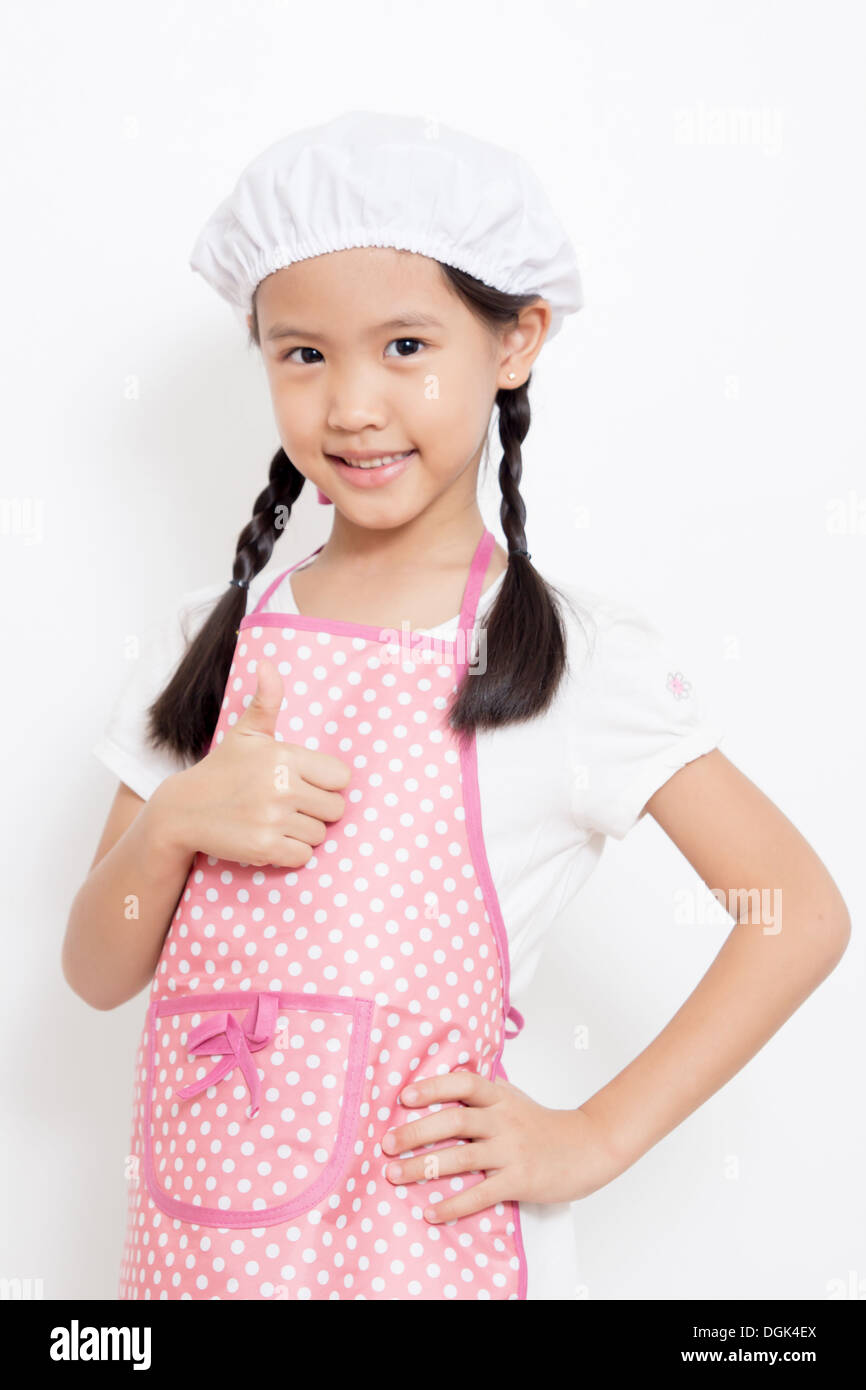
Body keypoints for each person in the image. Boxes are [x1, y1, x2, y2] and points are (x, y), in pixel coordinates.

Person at [63, 111, 851, 1301]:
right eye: (303, 354)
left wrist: (590, 1136)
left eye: (405, 346)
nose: (353, 407)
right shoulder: (202, 644)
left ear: (515, 340)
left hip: (428, 1256)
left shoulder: (568, 661)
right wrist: (172, 821)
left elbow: (792, 909)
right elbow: (97, 966)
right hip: (193, 1267)